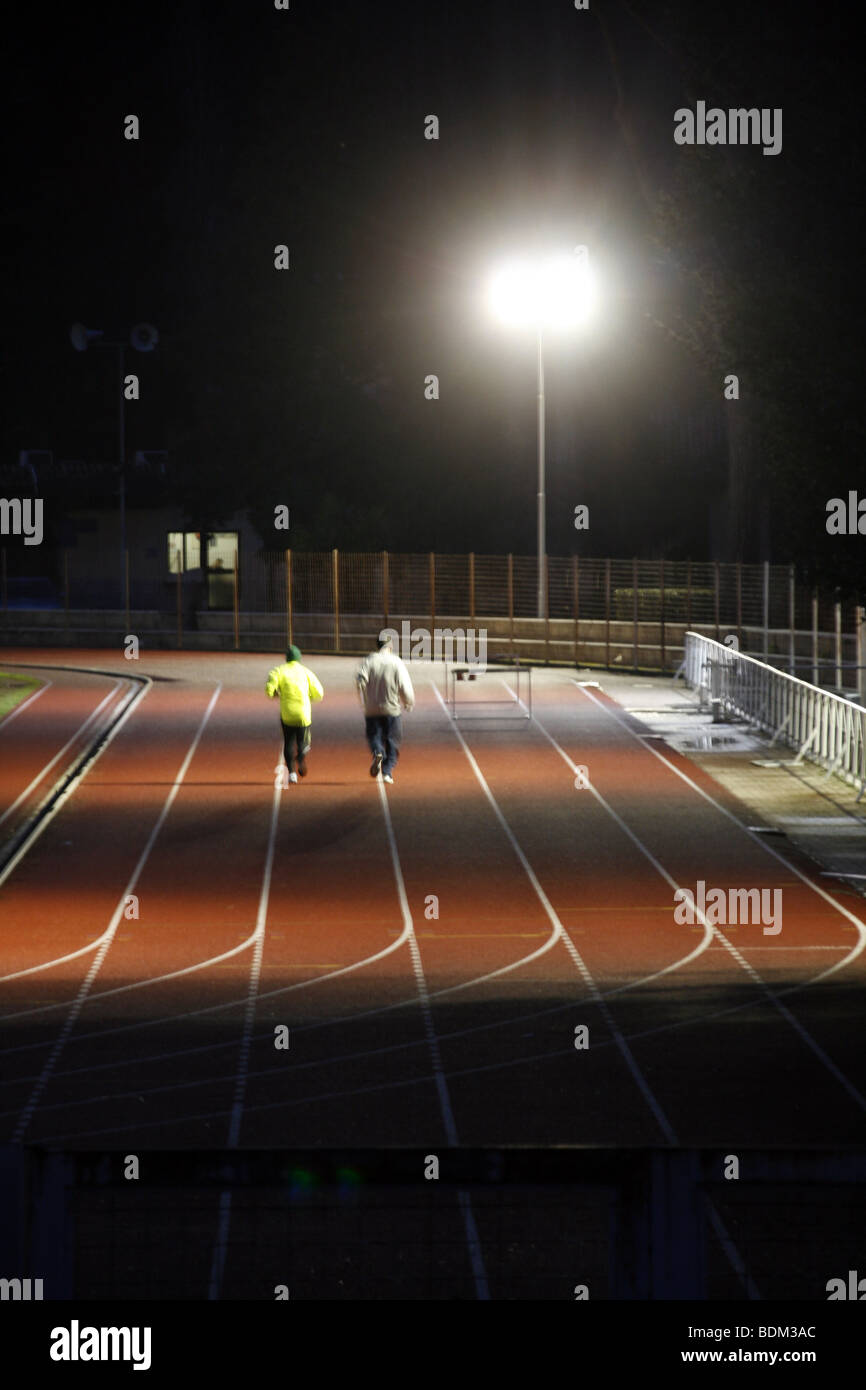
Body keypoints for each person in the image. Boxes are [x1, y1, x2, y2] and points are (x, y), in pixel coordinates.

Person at [355, 633, 415, 784]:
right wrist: (408, 702)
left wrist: (363, 703)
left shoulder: (368, 661)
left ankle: (377, 752)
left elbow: (360, 681)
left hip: (372, 709)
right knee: (393, 740)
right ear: (390, 646)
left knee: (374, 736)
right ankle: (387, 772)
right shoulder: (396, 662)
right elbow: (404, 685)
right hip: (391, 709)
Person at [265, 644, 324, 783]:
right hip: (303, 714)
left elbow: (269, 690)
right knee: (303, 741)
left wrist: (275, 694)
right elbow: (319, 693)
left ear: (286, 658)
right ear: (299, 658)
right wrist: (310, 697)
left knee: (288, 742)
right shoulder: (306, 672)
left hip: (287, 714)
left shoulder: (278, 671)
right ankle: (301, 756)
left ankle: (291, 773)